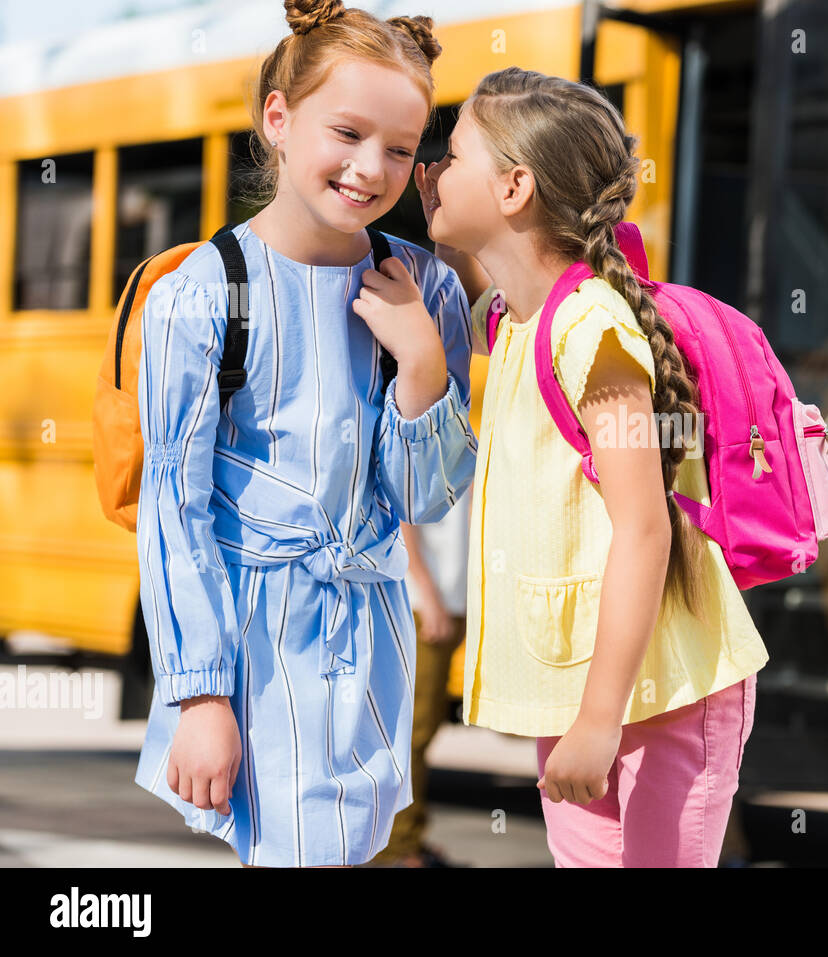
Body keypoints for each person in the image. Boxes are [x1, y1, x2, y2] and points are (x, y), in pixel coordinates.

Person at [131, 0, 475, 868]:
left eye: (401, 149)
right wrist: (199, 694)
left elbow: (427, 495)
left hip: (373, 642)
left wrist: (424, 368)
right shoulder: (200, 292)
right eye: (348, 133)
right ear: (277, 119)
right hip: (254, 646)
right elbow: (174, 505)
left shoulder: (427, 292)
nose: (373, 169)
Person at [399, 67, 769, 866]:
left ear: (514, 188)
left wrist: (601, 718)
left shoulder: (588, 324)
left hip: (665, 694)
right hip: (580, 698)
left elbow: (643, 527)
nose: (429, 173)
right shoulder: (513, 319)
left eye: (451, 154)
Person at [368, 490, 471, 868]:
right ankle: (396, 849)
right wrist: (429, 597)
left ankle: (409, 839)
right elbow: (403, 514)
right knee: (412, 732)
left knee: (421, 732)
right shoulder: (425, 427)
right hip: (424, 607)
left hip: (449, 604)